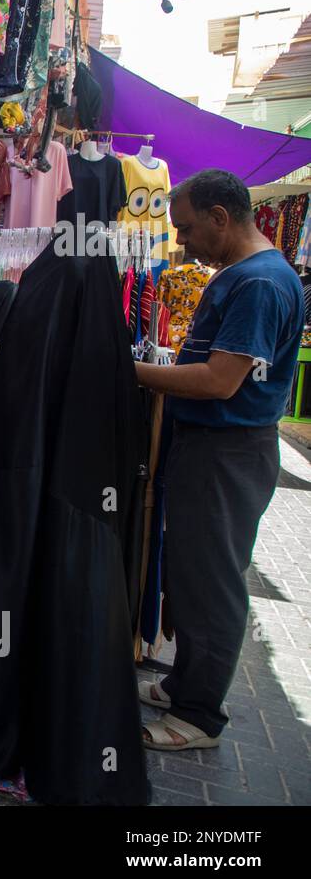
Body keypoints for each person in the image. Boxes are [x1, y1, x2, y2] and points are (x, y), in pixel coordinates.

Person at [133, 169, 303, 751]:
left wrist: (126, 371)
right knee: (191, 573)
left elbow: (220, 380)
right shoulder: (247, 275)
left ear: (220, 218)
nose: (180, 242)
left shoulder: (259, 283)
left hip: (228, 452)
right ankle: (186, 683)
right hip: (212, 449)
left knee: (211, 583)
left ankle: (199, 716)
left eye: (184, 229)